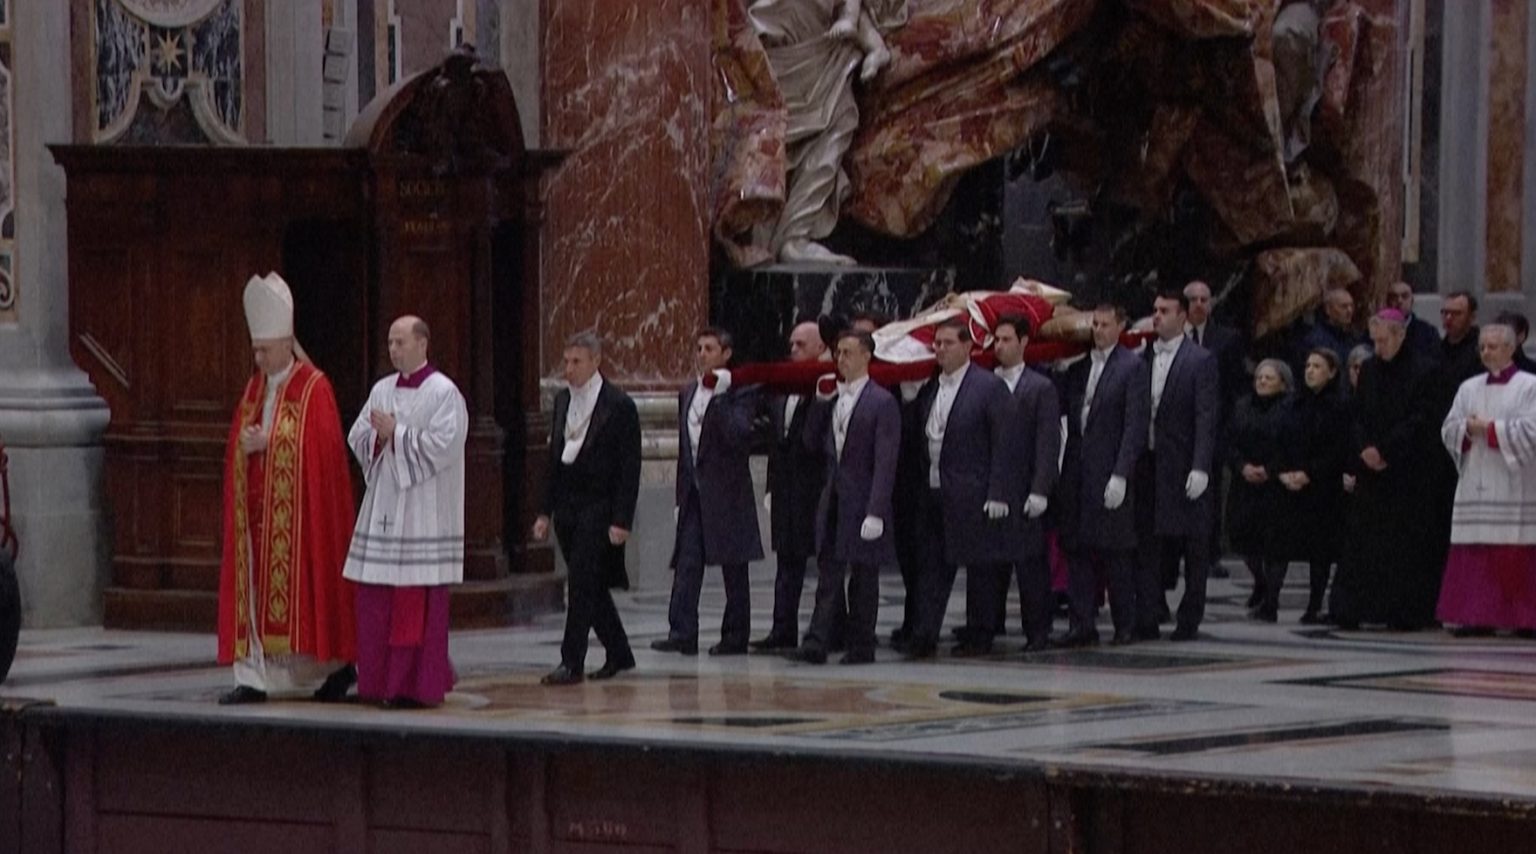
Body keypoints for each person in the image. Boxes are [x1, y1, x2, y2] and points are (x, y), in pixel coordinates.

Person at [217, 273, 358, 705]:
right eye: (255, 349)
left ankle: (329, 669)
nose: (258, 358)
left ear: (285, 344)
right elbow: (241, 438)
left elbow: (323, 452)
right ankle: (254, 677)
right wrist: (245, 445)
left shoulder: (315, 387)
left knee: (308, 590)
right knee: (257, 594)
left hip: (301, 520)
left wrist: (271, 442)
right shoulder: (254, 388)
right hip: (258, 518)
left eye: (264, 349)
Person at [343, 316, 468, 708]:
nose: (393, 349)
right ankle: (378, 683)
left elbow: (446, 446)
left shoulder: (444, 393)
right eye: (390, 342)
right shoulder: (382, 388)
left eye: (400, 342)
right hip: (384, 507)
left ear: (422, 344)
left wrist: (396, 434)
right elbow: (358, 435)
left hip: (422, 513)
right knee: (377, 601)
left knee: (414, 603)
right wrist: (376, 439)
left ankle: (415, 685)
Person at [533, 332, 641, 685]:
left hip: (600, 504)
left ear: (596, 361)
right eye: (566, 361)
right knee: (590, 584)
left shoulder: (619, 405)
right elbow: (553, 460)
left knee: (580, 583)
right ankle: (620, 652)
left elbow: (630, 467)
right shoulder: (563, 400)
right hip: (568, 505)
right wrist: (544, 512)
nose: (569, 369)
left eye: (576, 361)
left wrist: (622, 519)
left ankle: (571, 662)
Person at [905, 318, 1013, 659]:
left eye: (948, 343)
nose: (940, 349)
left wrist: (998, 492)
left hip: (974, 491)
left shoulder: (988, 387)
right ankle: (924, 634)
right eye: (937, 344)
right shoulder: (930, 388)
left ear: (967, 347)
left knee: (979, 567)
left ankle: (980, 633)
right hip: (935, 490)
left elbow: (1004, 443)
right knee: (932, 567)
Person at [792, 329, 901, 663]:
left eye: (848, 352)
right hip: (834, 497)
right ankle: (817, 641)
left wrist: (877, 510)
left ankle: (861, 643)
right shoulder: (835, 397)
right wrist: (820, 405)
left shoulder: (882, 401)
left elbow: (886, 460)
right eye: (838, 353)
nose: (841, 359)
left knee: (864, 577)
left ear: (867, 355)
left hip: (864, 499)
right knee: (829, 573)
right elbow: (811, 443)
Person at [656, 328, 764, 656]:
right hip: (694, 493)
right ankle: (682, 631)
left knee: (734, 567)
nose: (702, 354)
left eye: (709, 348)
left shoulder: (741, 392)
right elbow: (685, 452)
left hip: (728, 494)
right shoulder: (687, 392)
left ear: (726, 353)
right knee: (687, 564)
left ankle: (735, 636)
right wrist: (679, 496)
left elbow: (739, 434)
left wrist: (719, 397)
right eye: (699, 348)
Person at [1331, 309, 1440, 630]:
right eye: (1374, 341)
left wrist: (1386, 450)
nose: (1378, 348)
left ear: (1400, 336)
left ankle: (1402, 613)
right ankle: (1352, 609)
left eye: (1383, 341)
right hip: (1371, 473)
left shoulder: (1425, 371)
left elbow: (1421, 420)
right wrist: (1364, 448)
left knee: (1403, 547)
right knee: (1362, 543)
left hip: (1405, 473)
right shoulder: (1368, 370)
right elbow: (1357, 414)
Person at [1057, 304, 1149, 646]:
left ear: (1120, 326)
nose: (1098, 330)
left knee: (1115, 552)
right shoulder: (1080, 368)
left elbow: (1134, 424)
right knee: (1077, 548)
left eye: (1105, 324)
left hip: (1109, 469)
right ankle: (1082, 623)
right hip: (1078, 468)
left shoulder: (1132, 367)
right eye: (1094, 324)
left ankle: (1126, 622)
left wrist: (1121, 473)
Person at [1436, 324, 1536, 636]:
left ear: (1510, 349)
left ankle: (1524, 619)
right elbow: (1448, 427)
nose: (1485, 352)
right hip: (1476, 479)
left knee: (1516, 548)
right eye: (1482, 347)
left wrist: (1490, 429)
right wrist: (1465, 429)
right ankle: (1474, 616)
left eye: (1493, 346)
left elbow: (1531, 431)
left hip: (1514, 483)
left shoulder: (1529, 386)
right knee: (1474, 549)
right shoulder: (1469, 387)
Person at [1134, 291, 1219, 641]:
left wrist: (1201, 465)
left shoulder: (1200, 360)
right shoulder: (1144, 357)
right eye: (1154, 310)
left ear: (1182, 316)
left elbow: (1206, 415)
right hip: (1150, 462)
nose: (1157, 316)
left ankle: (1190, 617)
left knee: (1193, 545)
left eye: (1164, 311)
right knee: (1147, 542)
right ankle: (1149, 613)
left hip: (1184, 463)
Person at [754, 322, 831, 651]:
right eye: (792, 344)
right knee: (787, 563)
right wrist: (771, 486)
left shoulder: (827, 386)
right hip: (786, 488)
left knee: (826, 565)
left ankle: (829, 630)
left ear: (818, 347)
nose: (794, 350)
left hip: (815, 488)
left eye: (801, 345)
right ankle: (782, 629)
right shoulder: (781, 387)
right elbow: (775, 441)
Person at [989, 315, 1061, 652]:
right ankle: (987, 624)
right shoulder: (986, 383)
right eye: (996, 340)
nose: (999, 346)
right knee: (991, 563)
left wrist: (1040, 489)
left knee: (1030, 564)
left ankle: (1038, 629)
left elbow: (1048, 442)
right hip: (993, 488)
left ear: (1023, 342)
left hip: (1025, 486)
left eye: (1006, 339)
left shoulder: (1040, 387)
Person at [1278, 348, 1351, 623]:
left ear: (1332, 372)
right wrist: (1286, 471)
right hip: (1294, 482)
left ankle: (1315, 603)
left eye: (1317, 366)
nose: (1310, 371)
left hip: (1324, 487)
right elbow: (1284, 439)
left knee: (1321, 550)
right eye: (1308, 365)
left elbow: (1338, 448)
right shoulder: (1296, 404)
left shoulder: (1340, 406)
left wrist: (1309, 473)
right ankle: (1270, 598)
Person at [1184, 280, 1245, 577]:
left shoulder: (1226, 339)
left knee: (1210, 494)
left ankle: (1210, 553)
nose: (1199, 304)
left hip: (1214, 429)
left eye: (1204, 299)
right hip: (1178, 430)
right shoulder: (1171, 337)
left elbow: (1233, 389)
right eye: (1193, 299)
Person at [1226, 359, 1294, 621]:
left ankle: (1272, 601)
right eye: (1259, 378)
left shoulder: (1290, 408)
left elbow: (1292, 444)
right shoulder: (1242, 407)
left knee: (1275, 545)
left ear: (1283, 383)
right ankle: (1260, 582)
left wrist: (1270, 469)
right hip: (1245, 482)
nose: (1262, 382)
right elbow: (1230, 441)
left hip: (1276, 484)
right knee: (1243, 538)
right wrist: (1242, 466)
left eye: (1269, 378)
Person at [1296, 288, 1367, 371]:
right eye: (1343, 306)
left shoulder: (1353, 338)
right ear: (1328, 309)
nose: (1349, 310)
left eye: (1351, 306)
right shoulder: (1315, 339)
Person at [1384, 281, 1440, 359]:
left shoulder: (1428, 332)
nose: (1399, 301)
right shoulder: (1376, 330)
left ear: (1412, 301)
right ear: (1388, 302)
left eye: (1405, 296)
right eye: (1394, 297)